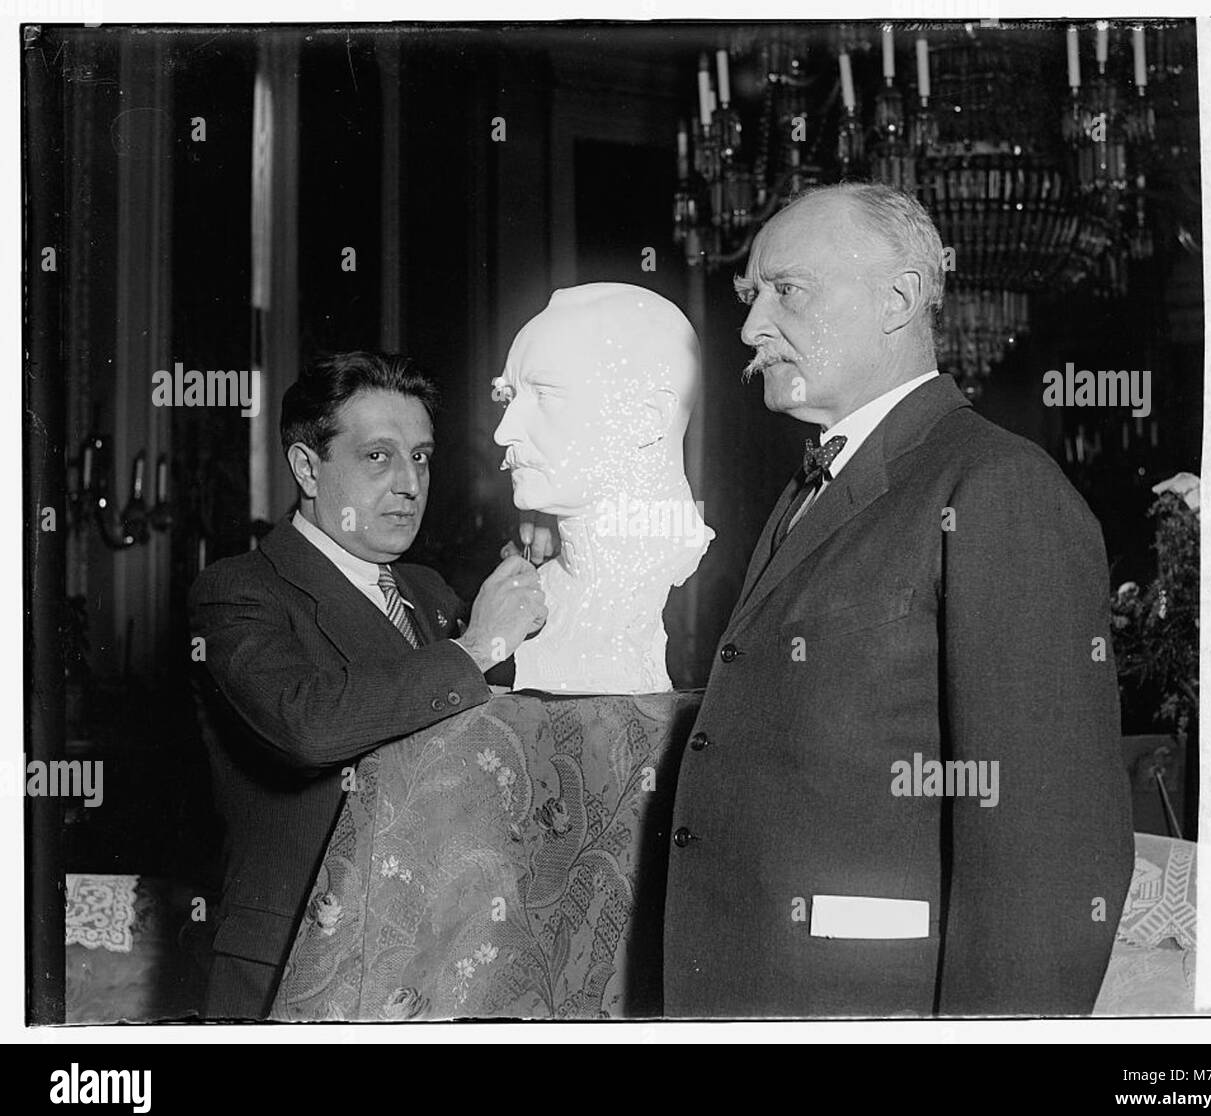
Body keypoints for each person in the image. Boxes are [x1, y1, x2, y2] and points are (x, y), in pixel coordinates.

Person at [662, 183, 1134, 1018]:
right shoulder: (813, 484)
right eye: (750, 297)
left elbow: (1046, 853)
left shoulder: (999, 487)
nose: (749, 328)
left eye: (786, 290)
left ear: (901, 298)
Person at [190, 350, 546, 1020]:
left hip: (436, 964)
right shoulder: (240, 592)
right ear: (306, 468)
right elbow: (306, 725)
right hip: (298, 969)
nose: (411, 482)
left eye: (422, 455)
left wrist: (541, 579)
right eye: (378, 456)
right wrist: (476, 647)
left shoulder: (430, 593)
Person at [492, 283, 714, 694]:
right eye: (507, 398)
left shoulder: (714, 594)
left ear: (648, 418)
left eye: (545, 394)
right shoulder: (531, 594)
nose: (503, 432)